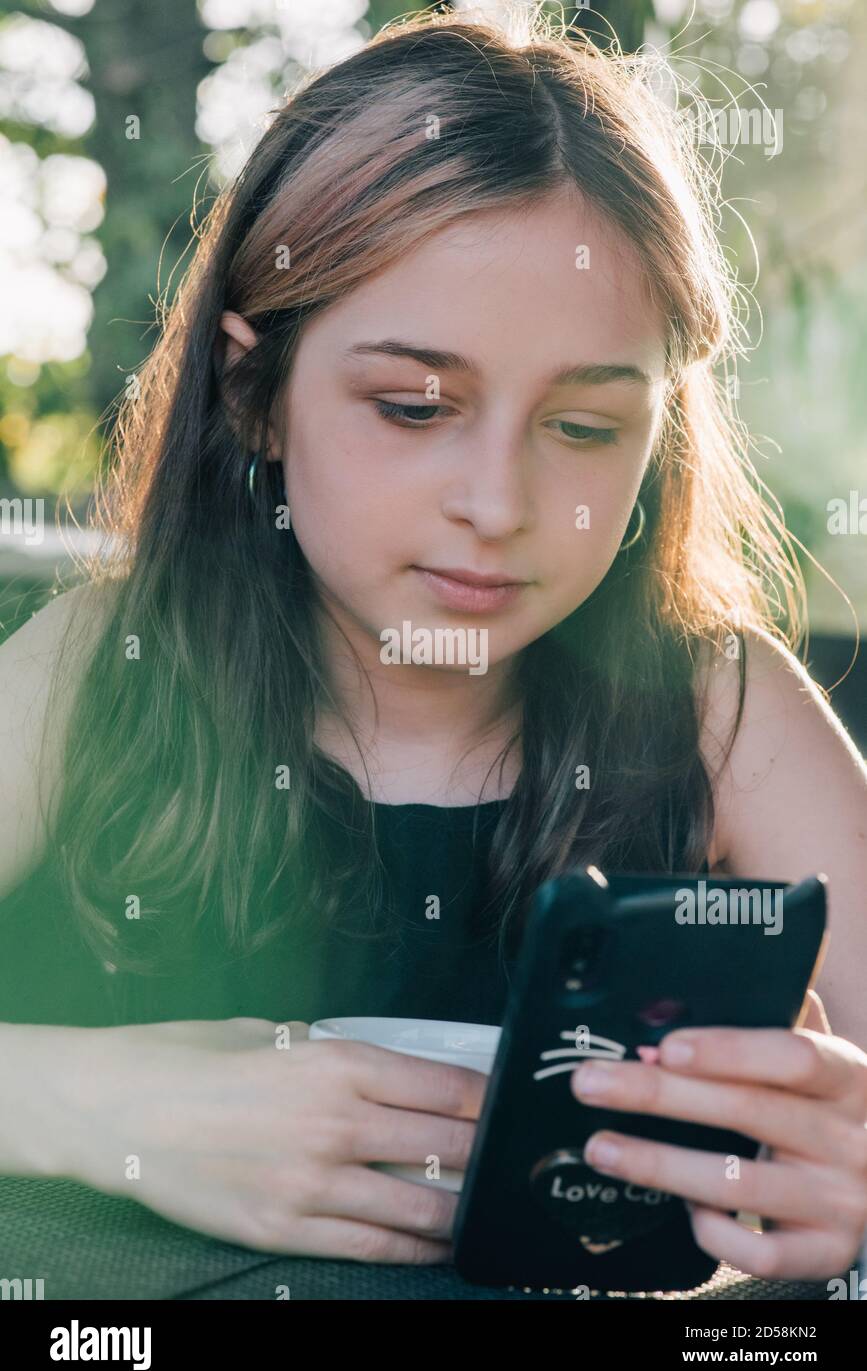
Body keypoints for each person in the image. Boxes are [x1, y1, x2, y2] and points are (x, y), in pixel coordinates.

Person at [0, 9, 865, 1280]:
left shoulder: (719, 707)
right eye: (414, 406)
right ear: (253, 394)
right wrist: (98, 1110)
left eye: (582, 428)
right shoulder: (98, 671)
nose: (499, 504)